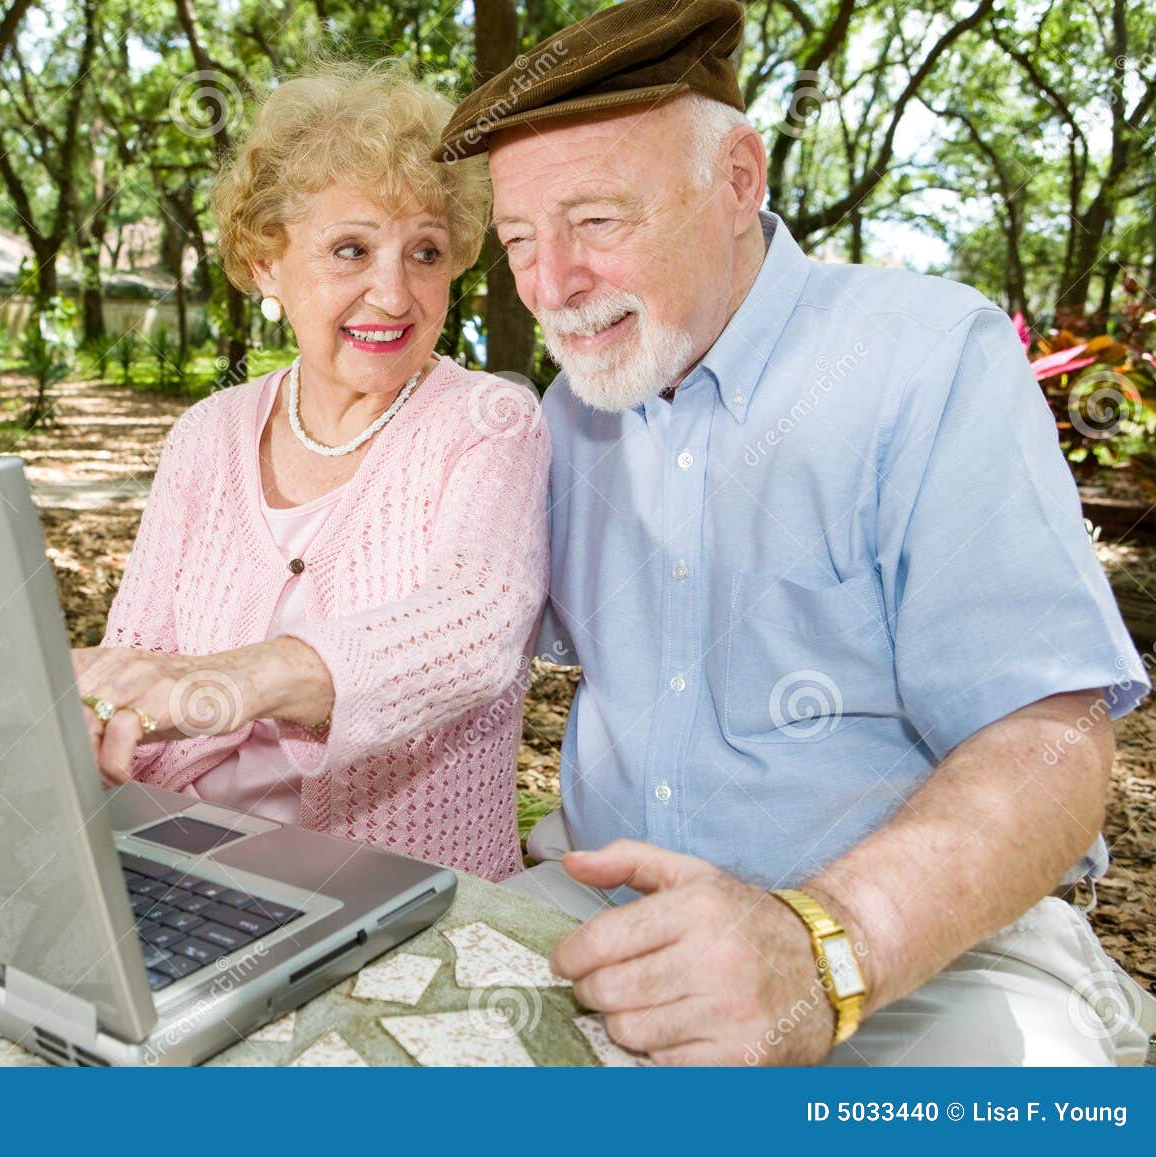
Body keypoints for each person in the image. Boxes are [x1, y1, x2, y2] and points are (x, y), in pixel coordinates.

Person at [439, 0, 1156, 1063]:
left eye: (596, 222)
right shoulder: (569, 415)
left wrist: (823, 945)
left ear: (738, 180)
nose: (551, 285)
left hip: (925, 954)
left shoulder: (925, 358)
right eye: (517, 241)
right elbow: (445, 631)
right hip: (599, 915)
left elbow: (1051, 741)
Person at [71, 59, 549, 881]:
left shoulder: (490, 423)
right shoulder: (204, 436)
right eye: (350, 249)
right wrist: (97, 713)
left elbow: (474, 633)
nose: (393, 294)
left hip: (390, 885)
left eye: (426, 252)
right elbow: (137, 655)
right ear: (268, 264)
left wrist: (235, 678)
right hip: (180, 859)